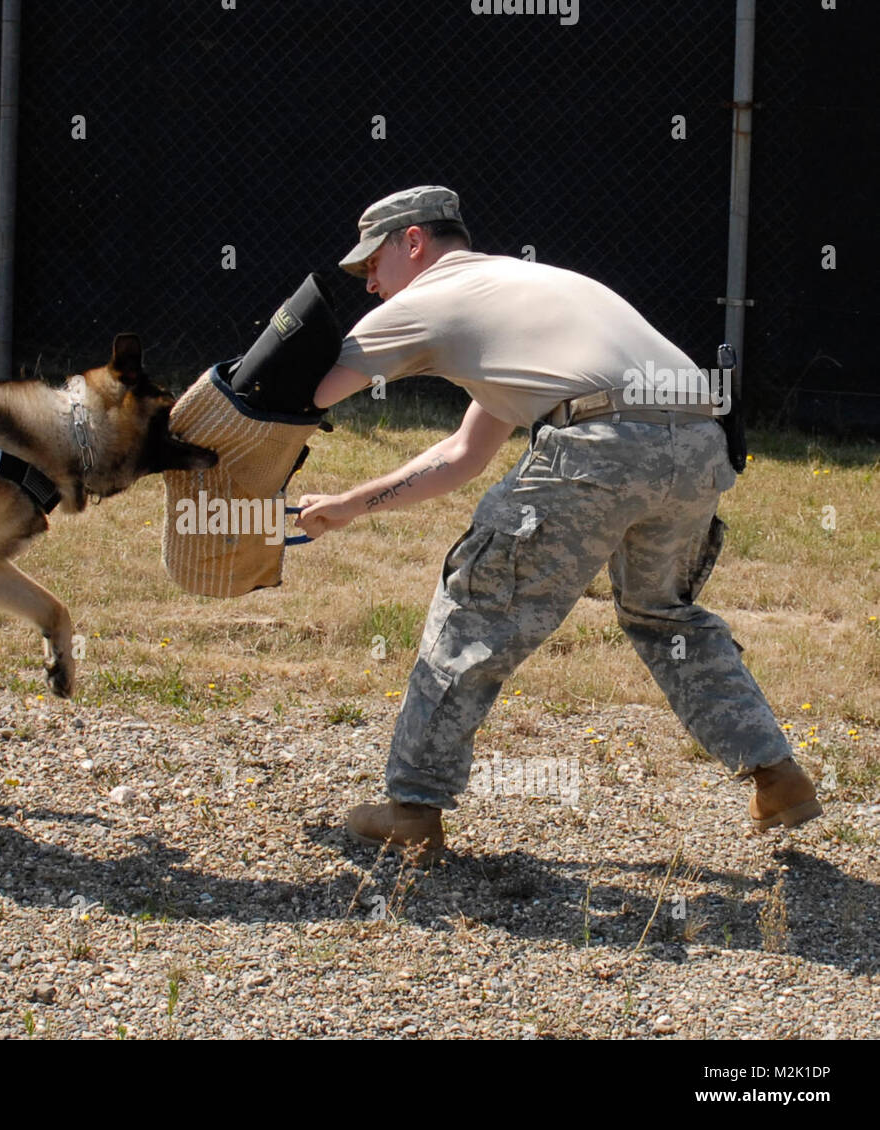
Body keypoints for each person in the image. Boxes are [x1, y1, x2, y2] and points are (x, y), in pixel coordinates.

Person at [295, 185, 822, 856]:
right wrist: (346, 506)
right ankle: (777, 775)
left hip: (601, 439)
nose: (369, 282)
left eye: (373, 263)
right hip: (699, 440)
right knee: (662, 614)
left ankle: (412, 807)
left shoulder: (430, 299)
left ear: (414, 242)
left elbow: (304, 393)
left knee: (477, 606)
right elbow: (461, 456)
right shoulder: (525, 293)